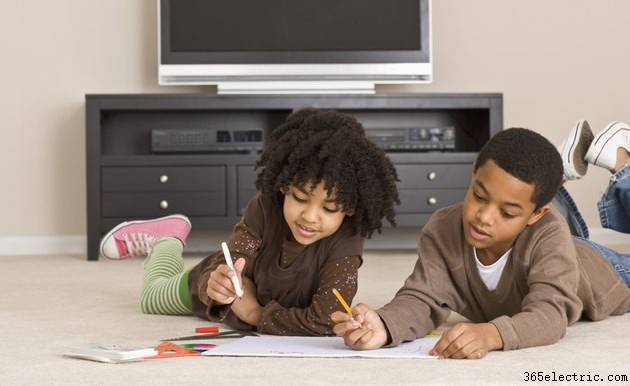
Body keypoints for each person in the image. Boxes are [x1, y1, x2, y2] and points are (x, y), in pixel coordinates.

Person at [332, 121, 630, 359]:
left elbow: (550, 314)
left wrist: (491, 334)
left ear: (535, 214)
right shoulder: (443, 228)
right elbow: (422, 297)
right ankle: (554, 180)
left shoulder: (548, 231)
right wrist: (385, 325)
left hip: (600, 270)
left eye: (507, 212)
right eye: (479, 196)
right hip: (545, 238)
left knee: (557, 232)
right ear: (474, 173)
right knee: (535, 217)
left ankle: (622, 163)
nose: (484, 217)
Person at [99, 108, 400, 336]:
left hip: (256, 307)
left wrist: (257, 315)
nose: (309, 216)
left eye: (330, 208)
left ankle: (168, 238)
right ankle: (167, 240)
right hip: (217, 299)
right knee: (151, 299)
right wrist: (217, 286)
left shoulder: (347, 240)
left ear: (349, 209)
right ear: (284, 187)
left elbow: (324, 319)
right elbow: (230, 261)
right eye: (299, 197)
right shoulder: (265, 207)